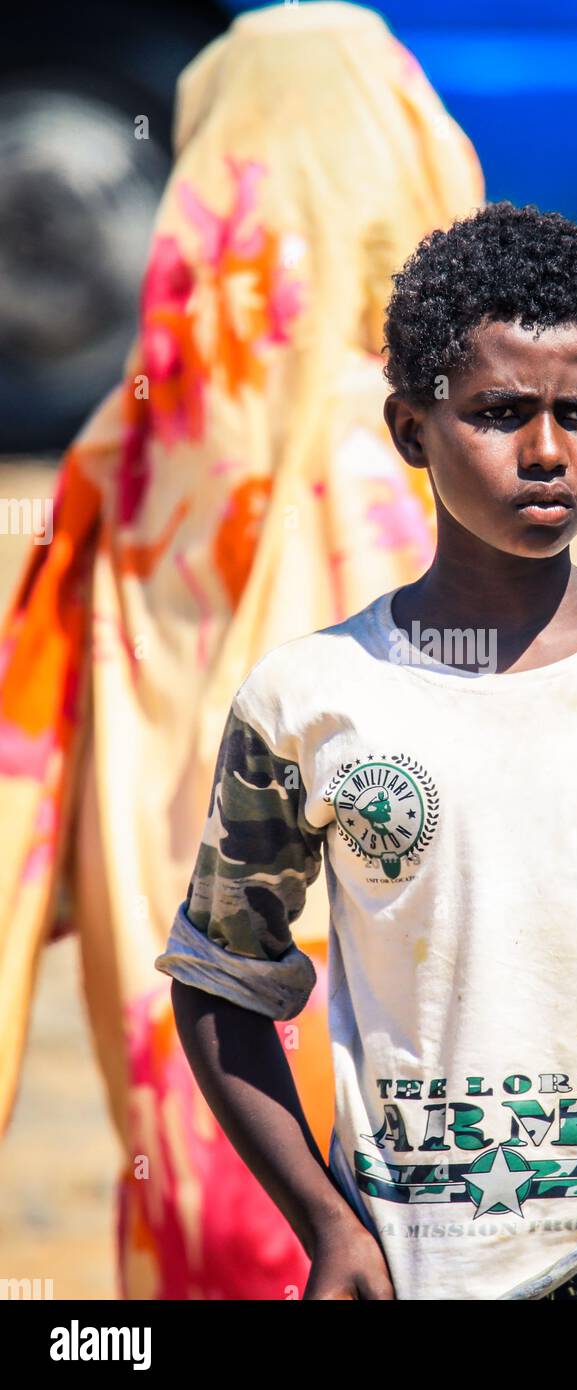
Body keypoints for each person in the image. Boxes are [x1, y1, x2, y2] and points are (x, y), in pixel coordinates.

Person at [155, 201, 577, 1300]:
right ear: (409, 429)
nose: (544, 453)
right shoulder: (312, 700)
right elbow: (220, 980)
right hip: (424, 1266)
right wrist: (327, 1225)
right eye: (498, 412)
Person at [0, 1, 485, 1299]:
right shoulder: (384, 446)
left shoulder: (129, 439)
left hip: (178, 1035)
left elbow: (39, 761)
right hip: (358, 1076)